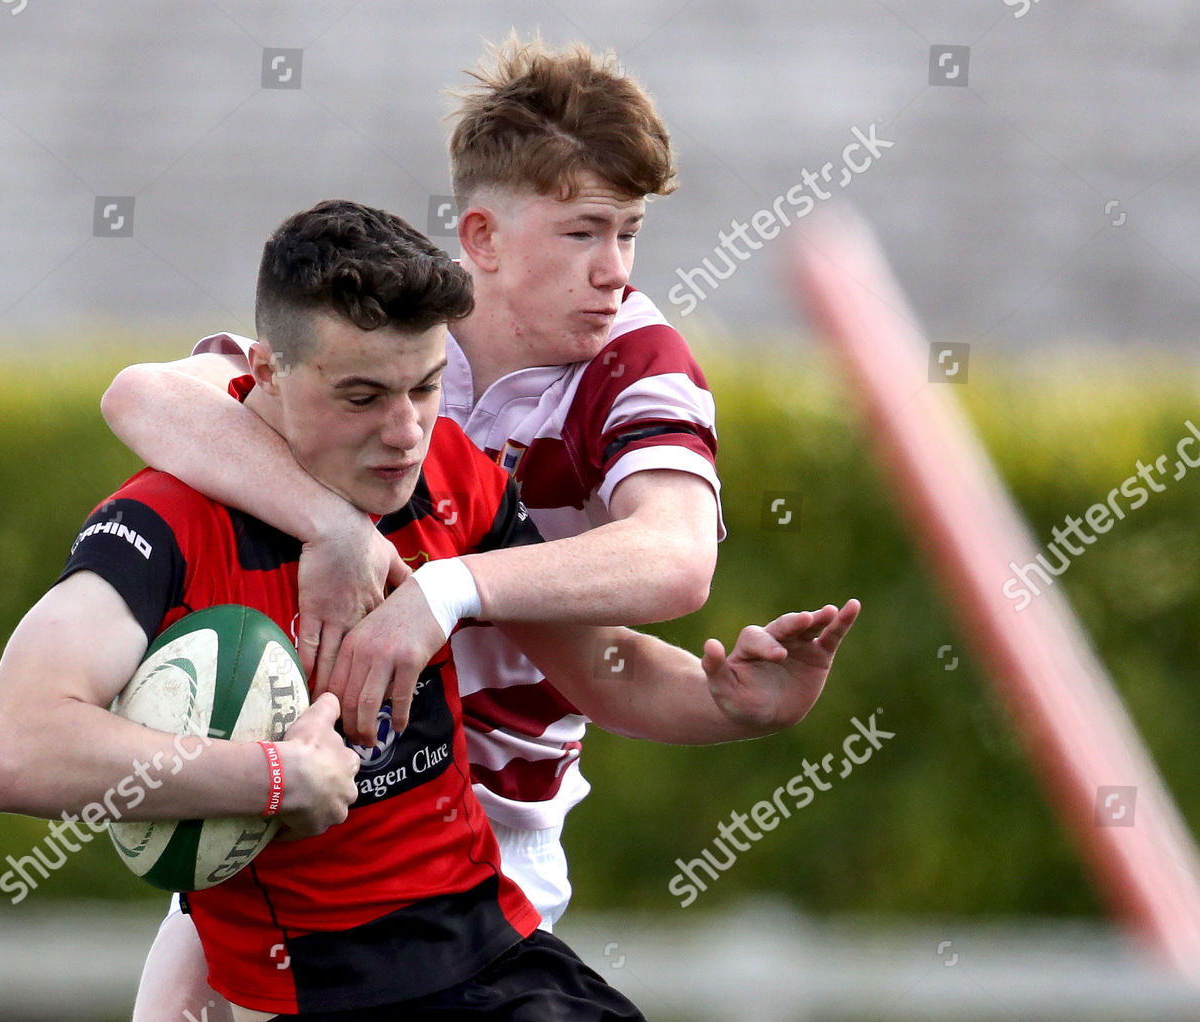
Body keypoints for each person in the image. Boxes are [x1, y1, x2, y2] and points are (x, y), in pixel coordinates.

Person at [102, 37, 859, 1022]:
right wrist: (334, 530)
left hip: (482, 859)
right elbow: (150, 398)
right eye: (587, 232)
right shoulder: (389, 322)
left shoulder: (637, 361)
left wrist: (446, 591)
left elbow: (670, 566)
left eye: (630, 234)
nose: (616, 272)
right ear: (483, 236)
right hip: (299, 821)